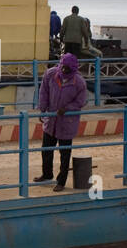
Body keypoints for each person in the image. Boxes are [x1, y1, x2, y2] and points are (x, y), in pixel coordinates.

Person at [34, 52, 88, 192]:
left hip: (67, 121)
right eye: (63, 68)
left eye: (67, 69)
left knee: (64, 154)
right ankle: (47, 174)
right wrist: (42, 109)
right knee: (46, 149)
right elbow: (43, 92)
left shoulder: (79, 82)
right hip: (51, 118)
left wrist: (68, 108)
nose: (64, 71)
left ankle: (61, 181)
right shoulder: (50, 74)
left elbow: (81, 101)